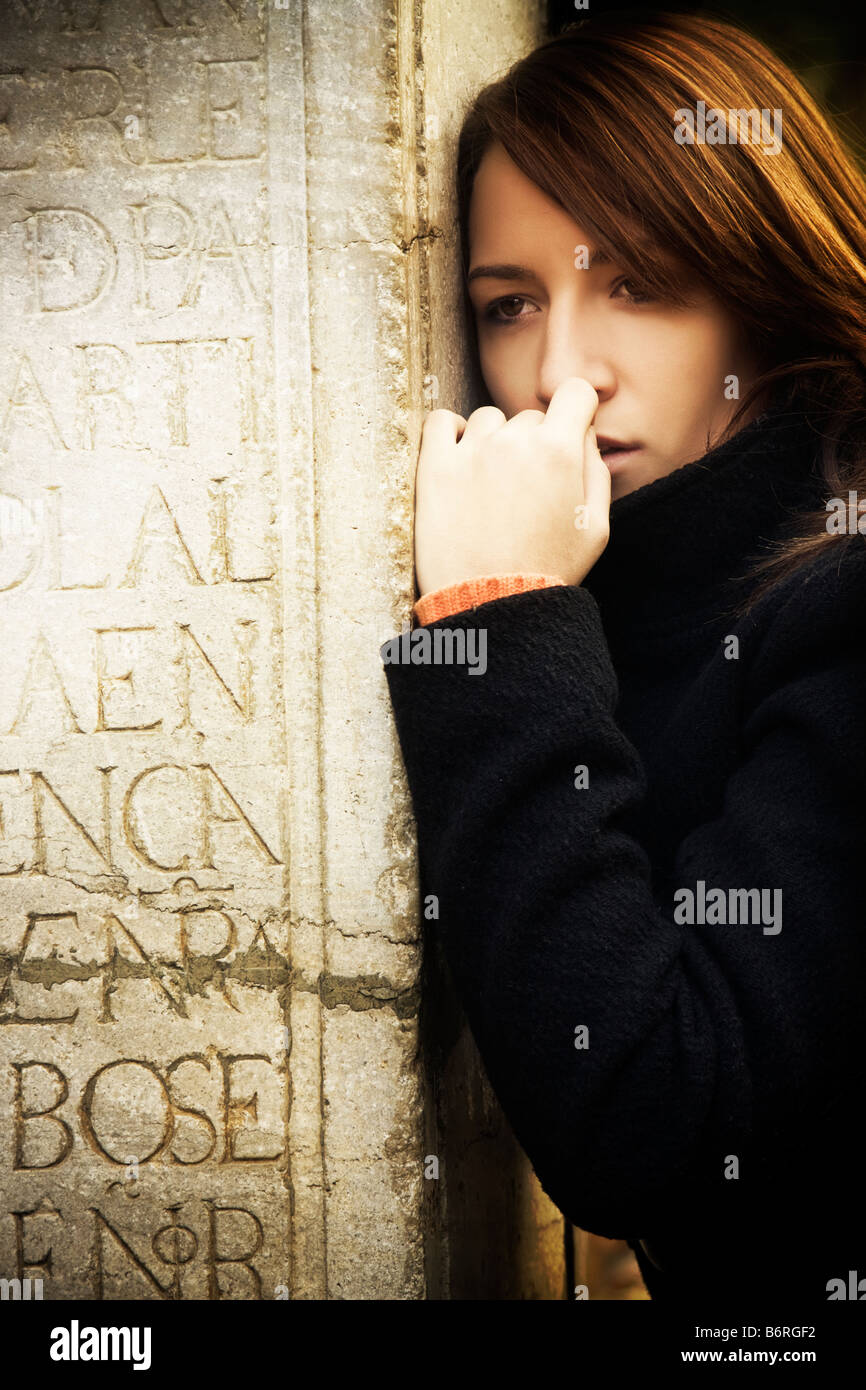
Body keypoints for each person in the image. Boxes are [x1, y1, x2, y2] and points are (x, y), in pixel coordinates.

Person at [381, 9, 866, 1302]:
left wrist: (499, 610)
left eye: (636, 285)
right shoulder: (648, 595)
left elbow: (655, 1112)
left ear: (760, 289)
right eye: (507, 304)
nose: (557, 376)